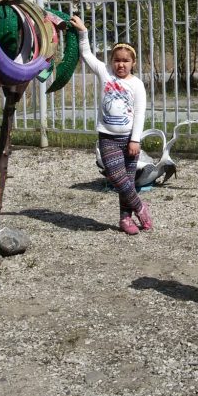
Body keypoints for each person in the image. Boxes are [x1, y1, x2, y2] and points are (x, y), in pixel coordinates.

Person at [70, 16, 152, 235]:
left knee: (128, 181)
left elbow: (140, 113)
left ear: (133, 63)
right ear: (111, 61)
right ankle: (140, 207)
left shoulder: (136, 84)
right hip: (108, 138)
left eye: (126, 61)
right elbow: (87, 55)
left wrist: (135, 140)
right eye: (117, 60)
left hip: (129, 140)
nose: (121, 64)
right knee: (117, 177)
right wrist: (83, 32)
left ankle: (125, 219)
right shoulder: (105, 73)